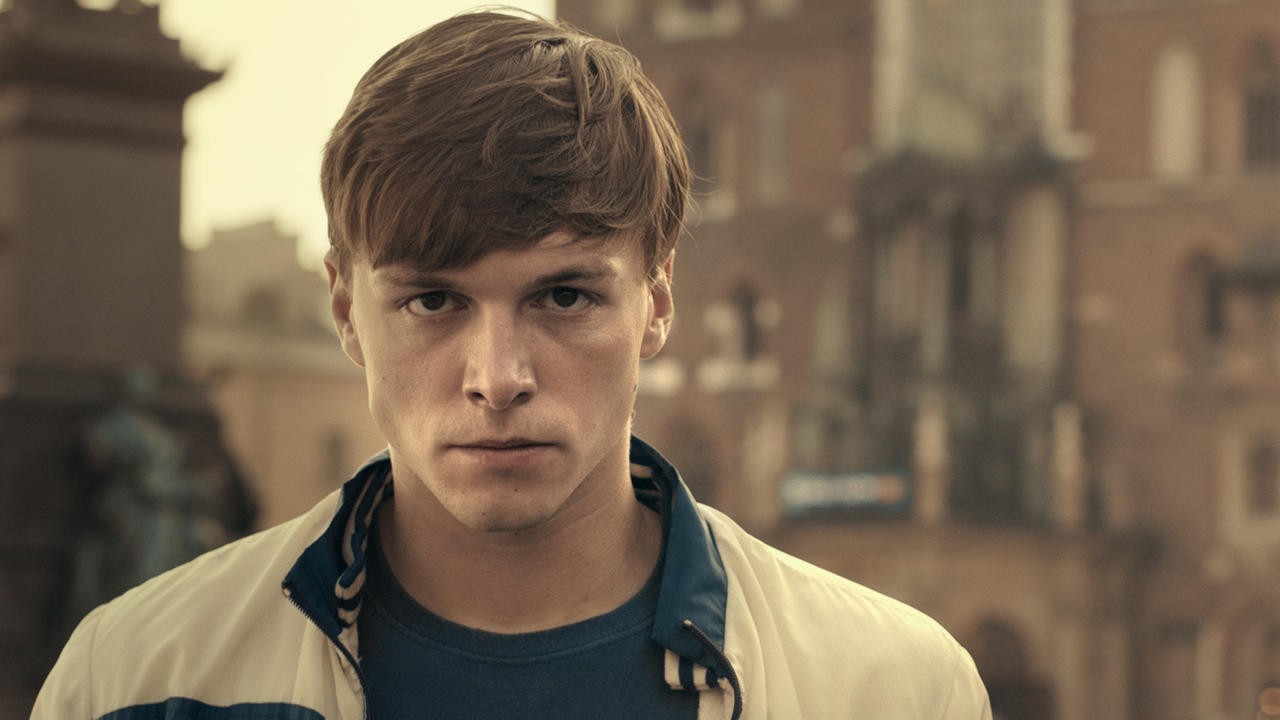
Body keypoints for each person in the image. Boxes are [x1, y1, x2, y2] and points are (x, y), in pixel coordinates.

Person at [33, 10, 991, 719]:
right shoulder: (138, 679)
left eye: (563, 297)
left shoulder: (888, 689)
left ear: (658, 301)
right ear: (346, 311)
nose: (497, 377)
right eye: (433, 301)